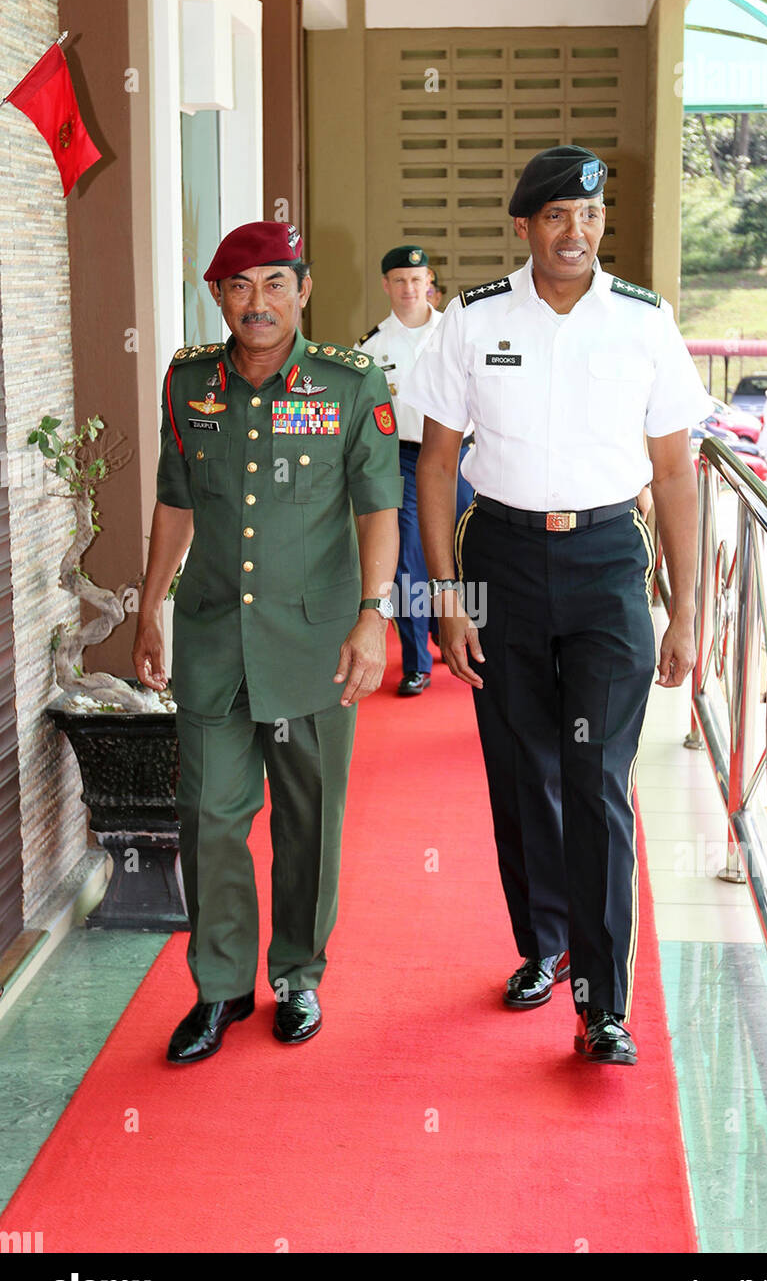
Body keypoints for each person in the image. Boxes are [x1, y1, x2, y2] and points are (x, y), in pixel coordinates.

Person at [406, 145, 711, 1066]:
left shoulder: (645, 323)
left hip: (610, 559)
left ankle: (602, 1000)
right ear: (525, 226)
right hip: (499, 553)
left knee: (598, 780)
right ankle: (543, 947)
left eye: (591, 215)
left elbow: (674, 474)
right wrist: (446, 601)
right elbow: (433, 462)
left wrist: (687, 611)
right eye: (557, 217)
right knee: (522, 766)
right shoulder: (470, 320)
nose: (576, 233)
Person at [133, 221, 401, 1064]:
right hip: (214, 637)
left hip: (315, 642)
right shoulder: (187, 385)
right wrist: (148, 606)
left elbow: (376, 509)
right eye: (241, 287)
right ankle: (219, 989)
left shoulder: (350, 384)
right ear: (218, 297)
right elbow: (175, 502)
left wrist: (372, 612)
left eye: (276, 284)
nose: (259, 303)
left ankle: (297, 977)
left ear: (303, 291)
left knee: (308, 820)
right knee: (209, 817)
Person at [358, 245, 472, 696]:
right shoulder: (370, 348)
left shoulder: (460, 331)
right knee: (407, 564)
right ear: (386, 285)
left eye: (417, 279)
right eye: (399, 280)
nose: (409, 288)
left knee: (466, 550)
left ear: (431, 284)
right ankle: (417, 661)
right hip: (404, 459)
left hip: (460, 457)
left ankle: (457, 632)